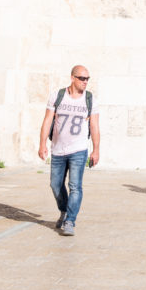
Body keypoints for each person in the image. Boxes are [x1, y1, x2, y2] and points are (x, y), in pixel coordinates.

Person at [38, 65, 100, 236]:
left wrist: (96, 150)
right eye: (82, 78)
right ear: (72, 78)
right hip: (58, 149)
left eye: (87, 79)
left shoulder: (90, 99)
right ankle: (64, 211)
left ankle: (70, 220)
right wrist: (42, 144)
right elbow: (47, 121)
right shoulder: (57, 96)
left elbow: (94, 126)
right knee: (55, 185)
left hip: (78, 150)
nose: (85, 82)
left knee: (75, 186)